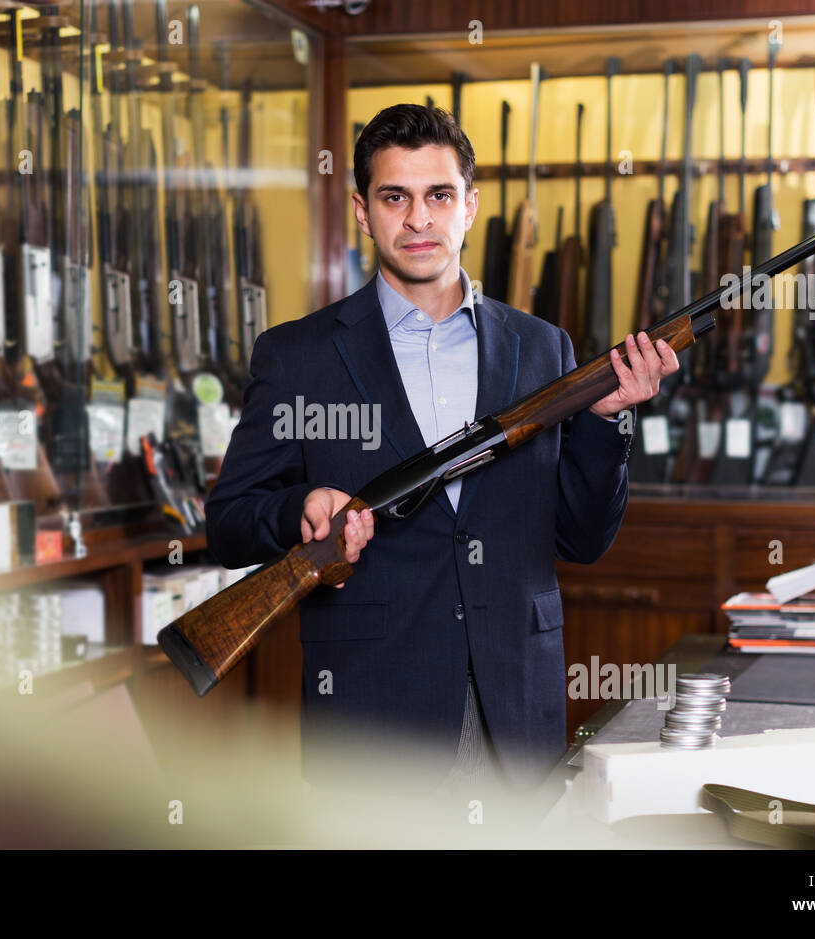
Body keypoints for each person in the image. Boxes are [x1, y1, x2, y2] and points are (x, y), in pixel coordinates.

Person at [204, 104, 678, 794]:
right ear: (363, 211)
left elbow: (582, 538)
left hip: (517, 709)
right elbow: (228, 522)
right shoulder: (297, 356)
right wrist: (300, 506)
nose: (419, 219)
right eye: (395, 197)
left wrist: (609, 422)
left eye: (439, 195)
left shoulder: (544, 348)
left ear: (471, 205)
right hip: (373, 722)